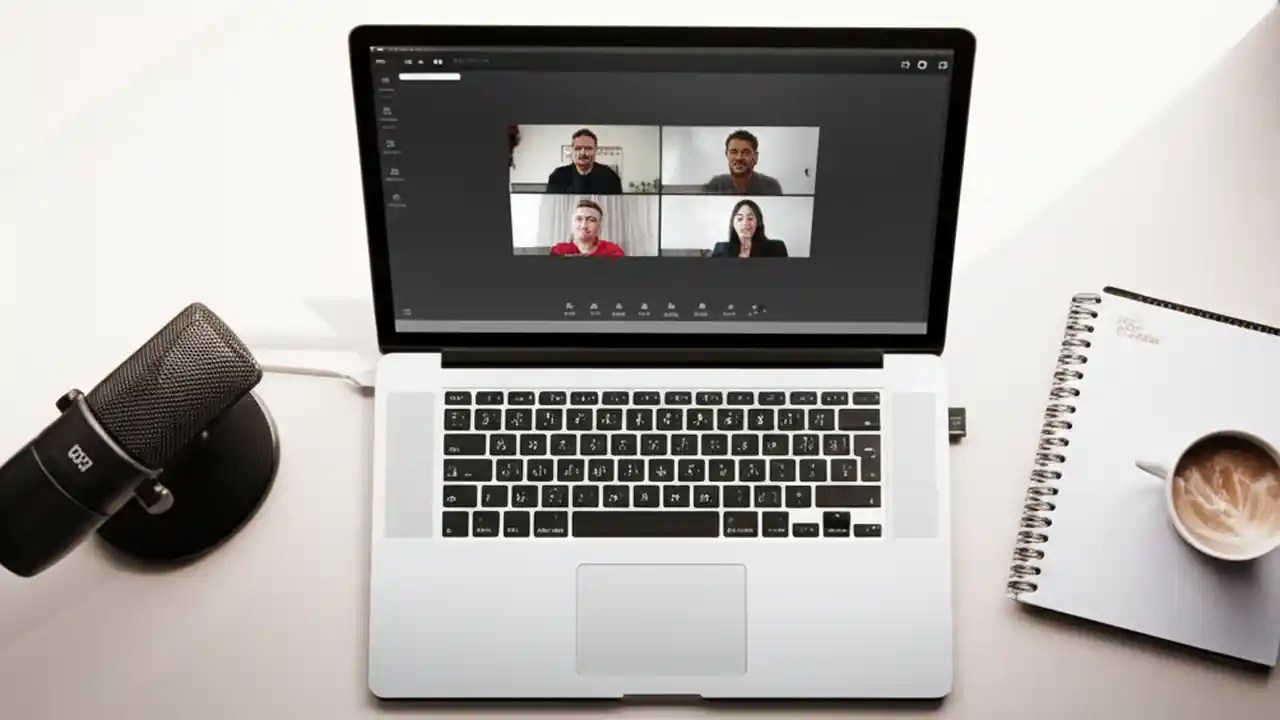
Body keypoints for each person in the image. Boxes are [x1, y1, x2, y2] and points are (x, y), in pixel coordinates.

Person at [702, 129, 783, 195]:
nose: (739, 157)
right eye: (734, 152)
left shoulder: (771, 187)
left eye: (745, 152)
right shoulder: (715, 186)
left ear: (755, 157)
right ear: (727, 155)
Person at [545, 128, 623, 194]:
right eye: (578, 148)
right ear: (572, 151)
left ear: (595, 150)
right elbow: (550, 207)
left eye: (588, 148)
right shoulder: (558, 177)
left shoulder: (610, 177)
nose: (583, 153)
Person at [710, 199, 789, 257]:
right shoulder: (721, 250)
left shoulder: (777, 248)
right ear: (733, 224)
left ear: (758, 222)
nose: (745, 223)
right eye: (740, 219)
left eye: (750, 219)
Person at [549, 199, 626, 257]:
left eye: (591, 220)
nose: (584, 226)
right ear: (572, 224)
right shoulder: (558, 251)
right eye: (579, 219)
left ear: (599, 226)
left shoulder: (613, 251)